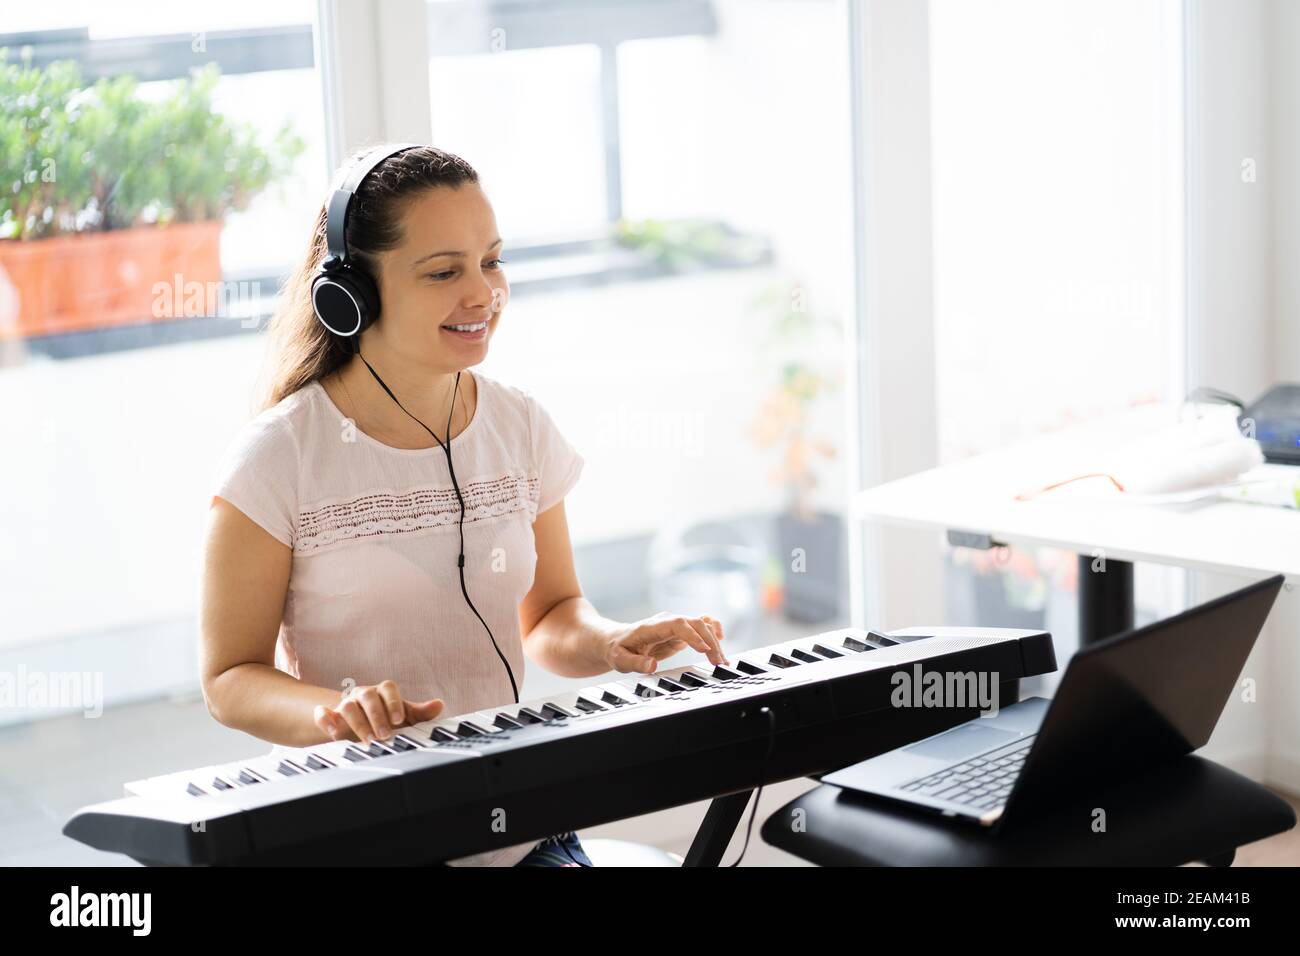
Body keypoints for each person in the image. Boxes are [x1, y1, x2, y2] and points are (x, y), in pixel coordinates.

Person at [199, 144, 728, 866]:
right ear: (352, 292)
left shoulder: (520, 427)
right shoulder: (278, 457)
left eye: (492, 261)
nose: (483, 293)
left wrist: (610, 641)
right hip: (357, 834)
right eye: (445, 272)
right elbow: (230, 680)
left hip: (516, 829)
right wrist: (333, 713)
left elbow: (548, 617)